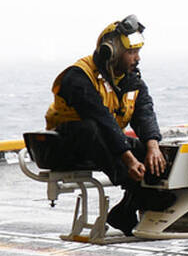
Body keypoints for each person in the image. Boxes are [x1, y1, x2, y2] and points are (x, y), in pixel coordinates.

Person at [43, 15, 167, 235]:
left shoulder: (131, 81)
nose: (137, 58)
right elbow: (100, 117)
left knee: (153, 153)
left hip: (103, 144)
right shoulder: (78, 76)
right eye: (131, 52)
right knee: (91, 129)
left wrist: (153, 146)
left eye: (138, 52)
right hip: (63, 147)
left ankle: (126, 210)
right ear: (110, 52)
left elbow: (145, 113)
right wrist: (128, 160)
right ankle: (142, 193)